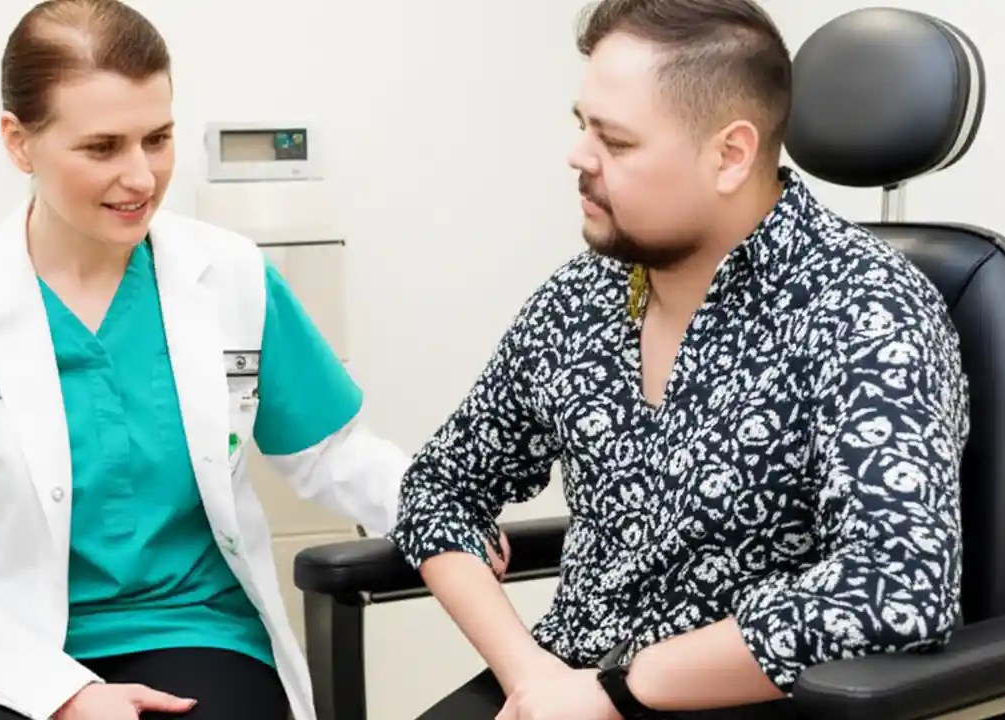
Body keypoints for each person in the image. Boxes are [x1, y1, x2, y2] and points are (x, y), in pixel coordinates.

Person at [0, 2, 513, 719]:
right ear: (18, 142)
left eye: (157, 139)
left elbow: (333, 451)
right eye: (102, 147)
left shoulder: (230, 277)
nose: (141, 177)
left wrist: (438, 509)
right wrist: (68, 695)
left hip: (194, 628)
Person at [386, 0, 970, 718]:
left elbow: (897, 585)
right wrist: (531, 675)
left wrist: (615, 692)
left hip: (746, 698)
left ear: (731, 155)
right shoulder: (582, 297)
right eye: (582, 126)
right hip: (564, 678)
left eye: (616, 141)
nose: (579, 156)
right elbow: (439, 487)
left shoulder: (865, 307)